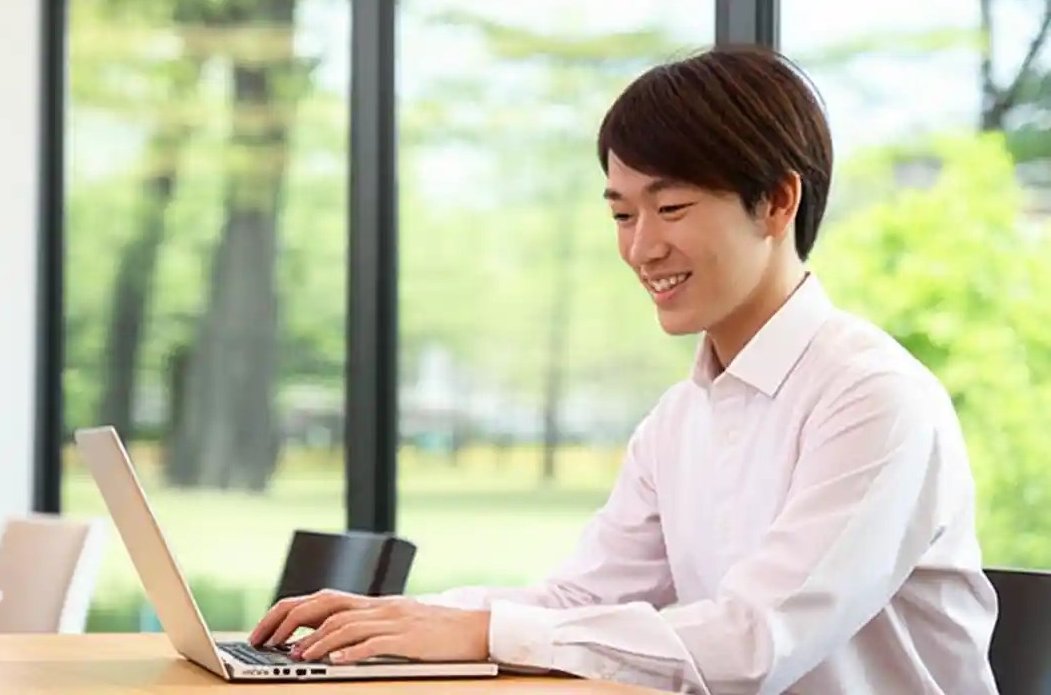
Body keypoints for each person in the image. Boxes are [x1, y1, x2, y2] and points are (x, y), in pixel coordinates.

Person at [248, 45, 1000, 694]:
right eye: (621, 215)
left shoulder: (874, 399)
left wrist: (480, 631)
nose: (641, 249)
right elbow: (583, 595)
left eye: (670, 209)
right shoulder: (680, 418)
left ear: (776, 202)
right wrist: (391, 621)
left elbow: (752, 644)